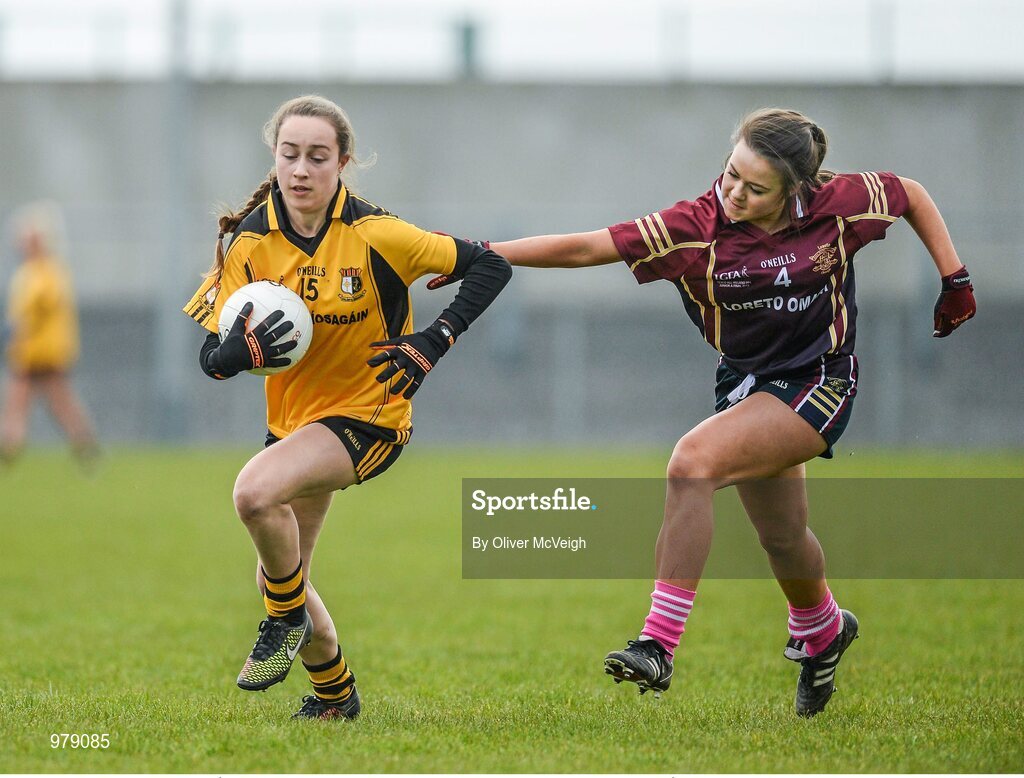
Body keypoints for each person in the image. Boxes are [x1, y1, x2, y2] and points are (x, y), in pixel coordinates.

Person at [430, 107, 975, 717]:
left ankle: (657, 645)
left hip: (820, 380)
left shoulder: (838, 205)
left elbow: (911, 194)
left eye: (756, 188)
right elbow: (586, 247)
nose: (734, 192)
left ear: (794, 191)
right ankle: (823, 631)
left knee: (692, 463)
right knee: (782, 537)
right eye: (731, 173)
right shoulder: (693, 226)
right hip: (746, 384)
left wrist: (955, 279)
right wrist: (478, 253)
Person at [182, 95, 511, 721]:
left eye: (317, 156)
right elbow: (210, 357)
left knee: (254, 495)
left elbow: (490, 265)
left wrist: (432, 342)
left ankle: (285, 624)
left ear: (343, 162)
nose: (301, 169)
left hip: (371, 417)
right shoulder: (249, 242)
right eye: (289, 154)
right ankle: (335, 697)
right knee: (281, 575)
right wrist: (235, 354)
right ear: (274, 157)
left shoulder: (377, 234)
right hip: (293, 426)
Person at [1, 202, 99, 469]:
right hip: (31, 350)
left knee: (49, 402)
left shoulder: (47, 271)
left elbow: (40, 305)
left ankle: (11, 447)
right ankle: (83, 447)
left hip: (42, 350)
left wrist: (16, 329)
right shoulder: (32, 270)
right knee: (31, 401)